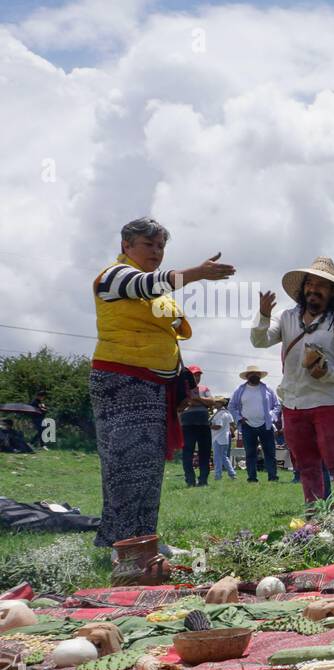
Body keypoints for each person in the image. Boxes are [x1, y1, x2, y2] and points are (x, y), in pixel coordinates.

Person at [89, 216, 235, 549]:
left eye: (161, 246)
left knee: (148, 465)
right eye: (148, 244)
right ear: (126, 245)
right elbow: (148, 285)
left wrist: (178, 381)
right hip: (121, 381)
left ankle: (144, 540)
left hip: (154, 385)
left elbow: (165, 333)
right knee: (125, 464)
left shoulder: (157, 292)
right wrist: (196, 273)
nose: (156, 251)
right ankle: (121, 544)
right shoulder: (113, 276)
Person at [251, 256, 334, 507]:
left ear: (332, 292)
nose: (314, 290)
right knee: (306, 464)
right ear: (303, 289)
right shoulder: (286, 317)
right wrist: (263, 314)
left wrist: (328, 373)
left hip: (327, 403)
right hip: (293, 403)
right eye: (310, 284)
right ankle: (315, 517)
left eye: (322, 285)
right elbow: (260, 341)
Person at [230, 364, 281, 483]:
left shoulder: (268, 389)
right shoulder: (239, 390)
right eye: (252, 374)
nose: (255, 376)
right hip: (247, 426)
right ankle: (252, 478)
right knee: (250, 453)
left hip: (266, 425)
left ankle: (272, 477)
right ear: (247, 376)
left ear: (260, 376)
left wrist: (272, 416)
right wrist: (239, 418)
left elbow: (277, 405)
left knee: (270, 453)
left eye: (257, 374)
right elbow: (231, 406)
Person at [179, 365, 215, 486]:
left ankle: (203, 480)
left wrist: (198, 399)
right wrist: (202, 402)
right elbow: (183, 404)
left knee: (205, 453)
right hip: (187, 425)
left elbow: (212, 402)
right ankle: (190, 480)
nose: (197, 377)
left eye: (199, 375)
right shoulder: (182, 389)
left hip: (204, 425)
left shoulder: (204, 388)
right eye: (194, 375)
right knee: (187, 454)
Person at [209, 398, 237, 480]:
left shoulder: (220, 414)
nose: (215, 404)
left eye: (216, 402)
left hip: (218, 438)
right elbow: (233, 424)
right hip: (224, 437)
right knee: (224, 457)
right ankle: (232, 474)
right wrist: (229, 431)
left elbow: (218, 426)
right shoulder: (227, 413)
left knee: (217, 458)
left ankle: (218, 475)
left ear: (221, 403)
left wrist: (209, 426)